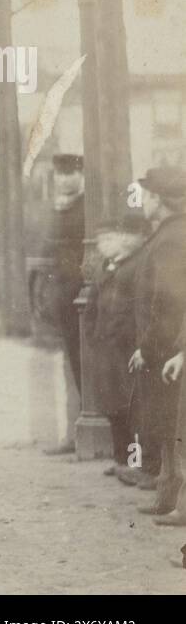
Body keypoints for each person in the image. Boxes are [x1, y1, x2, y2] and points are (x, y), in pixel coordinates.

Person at [127, 166, 186, 525]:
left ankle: (177, 503)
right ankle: (168, 496)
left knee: (173, 428)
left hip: (167, 346)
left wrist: (147, 347)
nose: (143, 202)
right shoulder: (168, 233)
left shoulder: (170, 238)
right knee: (167, 427)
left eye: (147, 196)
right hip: (168, 343)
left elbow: (166, 301)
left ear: (162, 202)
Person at [89, 210, 148, 485]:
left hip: (126, 346)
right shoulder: (105, 265)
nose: (105, 245)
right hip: (106, 345)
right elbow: (94, 302)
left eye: (111, 238)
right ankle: (120, 459)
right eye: (102, 240)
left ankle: (135, 462)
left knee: (131, 405)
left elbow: (140, 309)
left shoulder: (136, 266)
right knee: (112, 403)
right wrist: (93, 332)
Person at [40, 153, 85, 455]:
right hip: (62, 296)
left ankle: (79, 433)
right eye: (60, 173)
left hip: (79, 295)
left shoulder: (85, 208)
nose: (65, 178)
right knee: (68, 363)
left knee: (80, 363)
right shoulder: (56, 209)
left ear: (81, 175)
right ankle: (71, 432)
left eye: (71, 173)